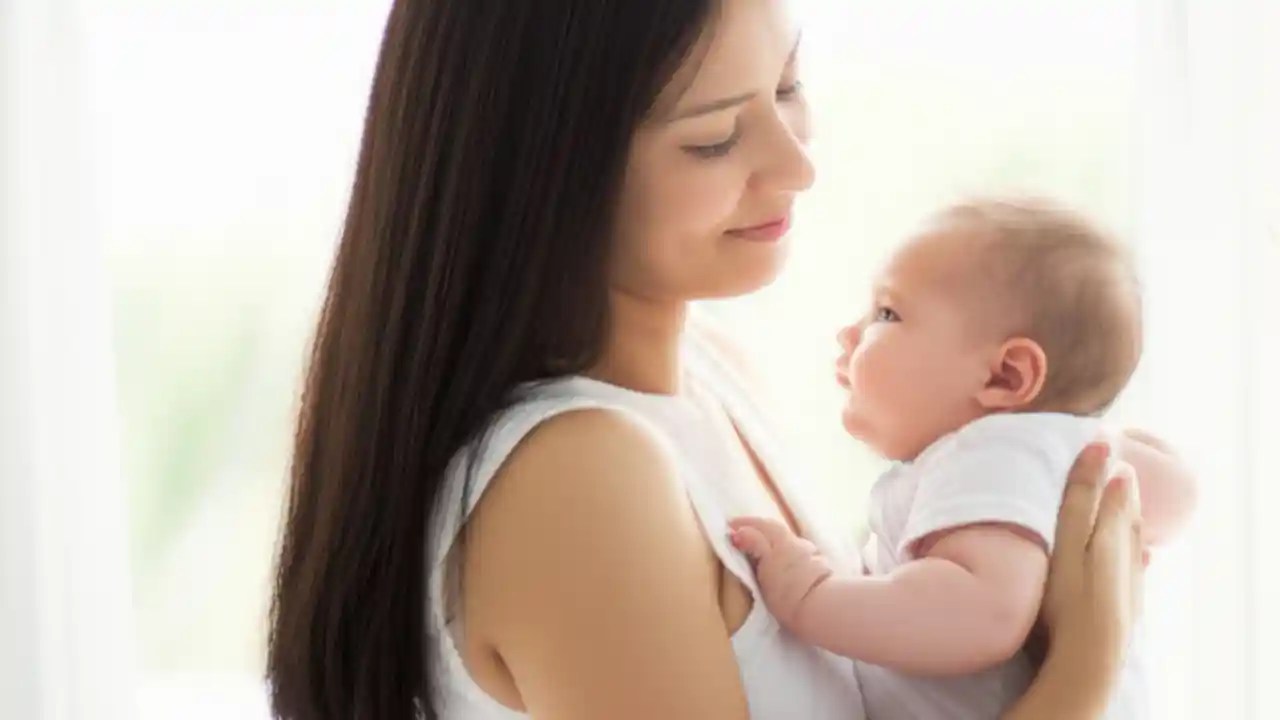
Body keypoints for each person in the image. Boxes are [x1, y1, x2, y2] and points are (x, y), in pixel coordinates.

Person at [265, 2, 1157, 718]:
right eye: (716, 138)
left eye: (788, 83)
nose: (797, 163)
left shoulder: (712, 374)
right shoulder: (580, 475)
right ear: (547, 174)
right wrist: (1083, 673)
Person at [730, 199, 1197, 719]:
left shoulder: (992, 452)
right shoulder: (1048, 453)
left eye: (888, 313)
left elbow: (985, 611)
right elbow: (1177, 495)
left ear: (1005, 377)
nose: (851, 333)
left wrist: (813, 595)